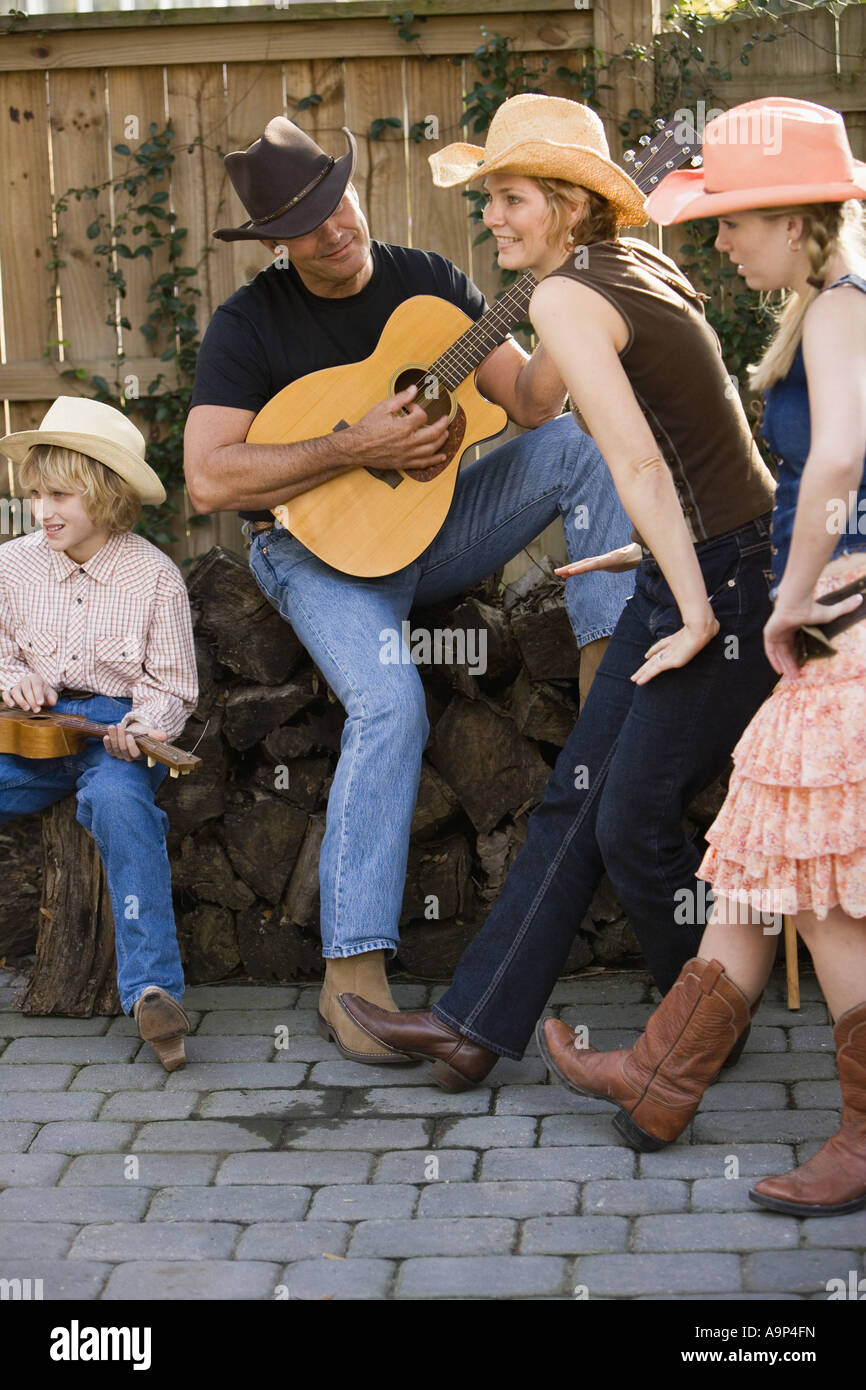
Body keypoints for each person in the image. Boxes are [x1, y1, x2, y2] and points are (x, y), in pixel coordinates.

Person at [338, 92, 781, 1091]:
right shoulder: (608, 274)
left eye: (511, 198)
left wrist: (697, 603)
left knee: (628, 819)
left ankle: (696, 1034)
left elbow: (637, 465)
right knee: (572, 802)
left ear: (572, 205)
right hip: (698, 563)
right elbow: (541, 404)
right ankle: (470, 1027)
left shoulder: (570, 295)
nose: (490, 216)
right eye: (488, 198)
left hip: (723, 581)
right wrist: (444, 391)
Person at [183, 115, 637, 1063]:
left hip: (430, 532)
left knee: (579, 442)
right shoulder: (250, 323)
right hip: (312, 551)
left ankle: (609, 675)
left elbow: (532, 403)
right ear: (273, 242)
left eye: (336, 201)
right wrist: (356, 446)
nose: (334, 228)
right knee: (389, 704)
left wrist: (572, 285)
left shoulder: (429, 279)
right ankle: (351, 976)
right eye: (304, 223)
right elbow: (211, 479)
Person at [537, 97, 866, 1218]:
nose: (717, 241)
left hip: (832, 639)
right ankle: (664, 1078)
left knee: (818, 893)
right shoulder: (828, 309)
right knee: (759, 857)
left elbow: (833, 467)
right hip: (831, 624)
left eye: (733, 219)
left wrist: (788, 599)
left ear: (793, 216)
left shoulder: (837, 305)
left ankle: (863, 1135)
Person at [0, 397, 198, 1070]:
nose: (42, 511)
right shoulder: (12, 566)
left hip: (114, 731)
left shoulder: (154, 578)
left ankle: (153, 992)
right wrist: (12, 681)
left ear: (109, 495)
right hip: (31, 735)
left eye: (61, 494)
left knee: (120, 807)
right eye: (34, 495)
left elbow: (172, 686)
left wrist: (141, 726)